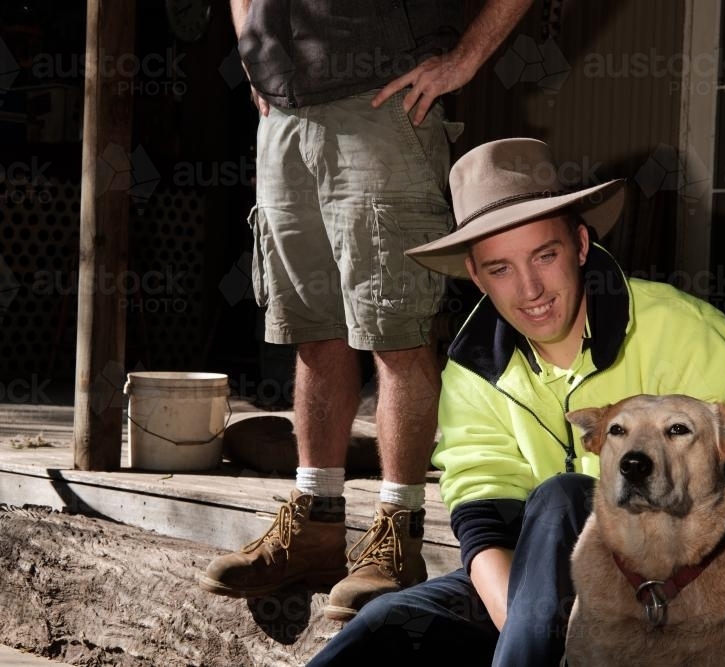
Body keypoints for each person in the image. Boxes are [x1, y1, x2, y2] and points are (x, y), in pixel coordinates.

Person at [306, 138, 725, 665]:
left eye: (546, 255)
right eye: (501, 269)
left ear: (581, 245)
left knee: (567, 496)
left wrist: (681, 585)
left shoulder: (682, 329)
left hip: (669, 583)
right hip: (529, 589)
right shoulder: (472, 370)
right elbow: (485, 528)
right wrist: (530, 633)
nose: (531, 289)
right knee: (384, 627)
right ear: (475, 275)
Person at [199, 0, 533, 622]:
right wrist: (253, 51)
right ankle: (316, 523)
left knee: (395, 331)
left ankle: (396, 536)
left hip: (382, 104)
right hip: (283, 114)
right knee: (311, 331)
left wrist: (464, 60)